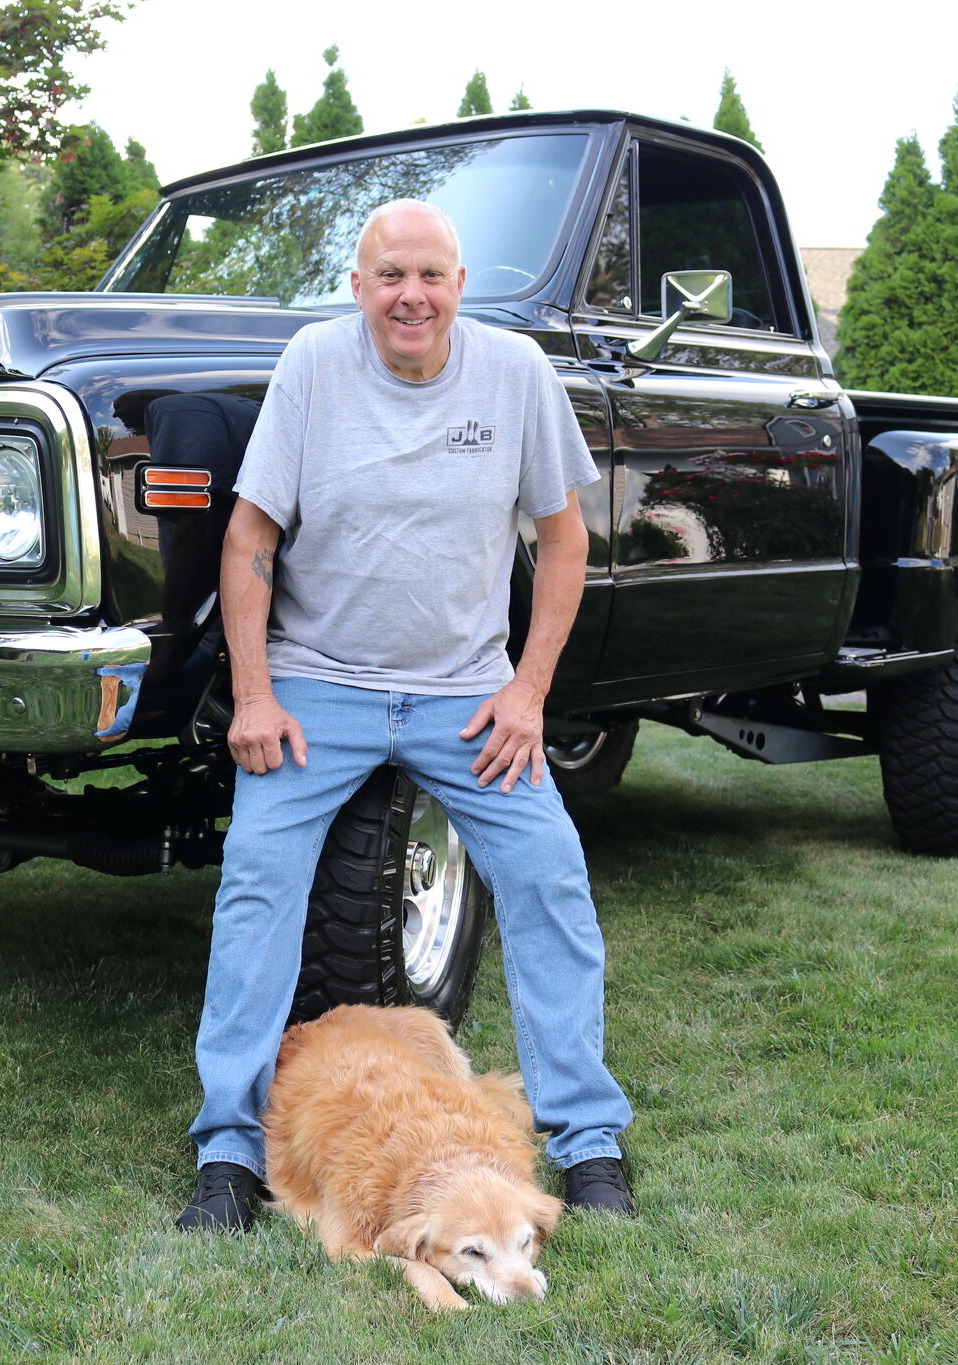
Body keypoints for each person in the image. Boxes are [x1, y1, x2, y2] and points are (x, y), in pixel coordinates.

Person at [177, 199, 635, 1232]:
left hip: (466, 695)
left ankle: (588, 1142)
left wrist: (526, 693)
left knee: (549, 881)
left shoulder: (515, 375)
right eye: (388, 275)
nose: (409, 295)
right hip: (317, 688)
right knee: (255, 886)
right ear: (356, 288)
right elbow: (249, 537)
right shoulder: (311, 365)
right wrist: (253, 694)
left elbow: (563, 544)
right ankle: (230, 1154)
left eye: (429, 275)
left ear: (459, 286)